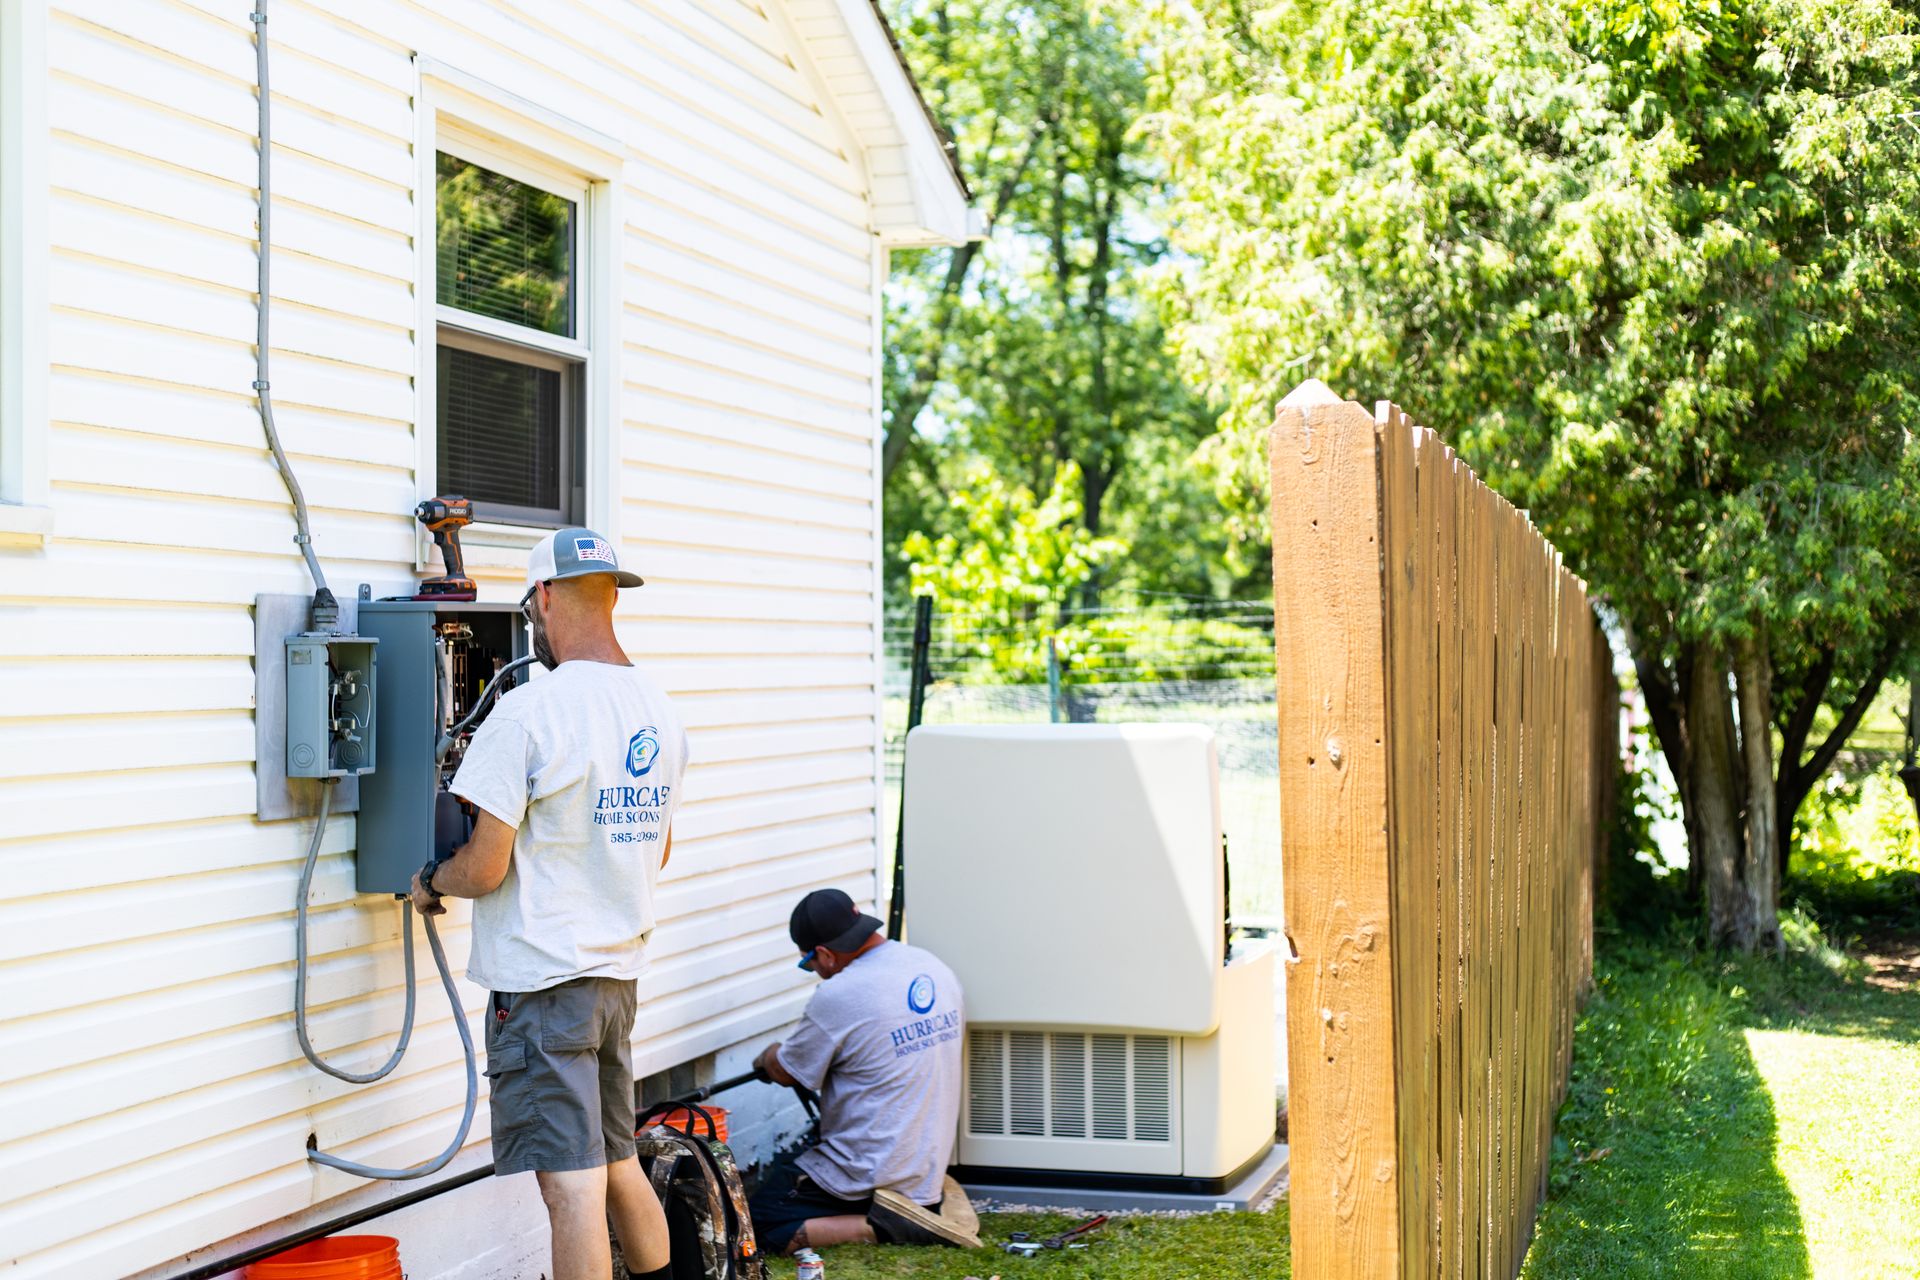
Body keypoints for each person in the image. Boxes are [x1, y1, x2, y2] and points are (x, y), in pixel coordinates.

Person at [408, 527, 686, 1280]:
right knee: (617, 1161)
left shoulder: (530, 713)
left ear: (542, 598)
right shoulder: (657, 707)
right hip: (615, 978)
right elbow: (654, 847)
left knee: (571, 1189)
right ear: (611, 595)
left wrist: (432, 881)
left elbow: (485, 869)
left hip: (542, 985)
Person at [747, 888, 978, 1254]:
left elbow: (787, 1070)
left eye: (809, 964)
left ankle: (880, 1227)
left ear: (824, 953)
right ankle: (920, 1211)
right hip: (922, 1172)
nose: (816, 973)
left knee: (755, 1222)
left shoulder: (841, 993)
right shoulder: (931, 966)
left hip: (867, 1175)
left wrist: (766, 1058)